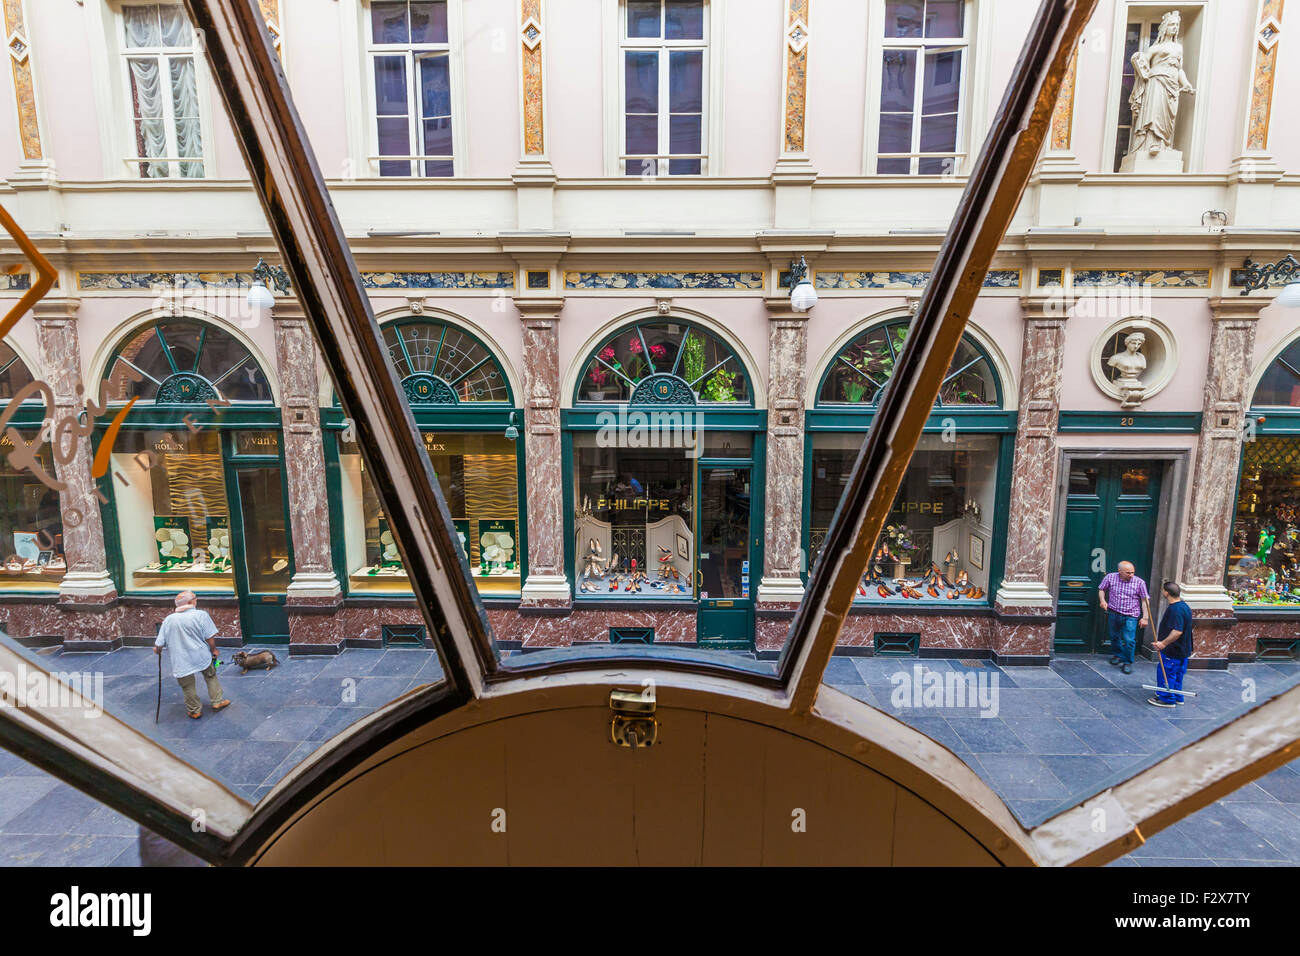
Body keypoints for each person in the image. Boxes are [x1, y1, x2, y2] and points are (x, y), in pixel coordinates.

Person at [154, 590, 230, 719]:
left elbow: (159, 643)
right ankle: (217, 701)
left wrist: (157, 649)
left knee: (187, 685)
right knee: (210, 676)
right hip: (200, 655)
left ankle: (195, 710)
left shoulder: (169, 619)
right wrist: (214, 650)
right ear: (190, 602)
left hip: (180, 659)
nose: (196, 600)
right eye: (195, 598)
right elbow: (209, 637)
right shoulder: (200, 615)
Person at [1098, 560, 1151, 674]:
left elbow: (1144, 600)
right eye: (1128, 573)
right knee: (1114, 636)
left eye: (1132, 572)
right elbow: (1102, 589)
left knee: (1129, 640)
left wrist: (1145, 617)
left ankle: (1127, 662)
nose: (1131, 575)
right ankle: (1118, 655)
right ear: (1119, 571)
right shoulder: (1110, 577)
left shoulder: (1139, 582)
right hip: (1114, 612)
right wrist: (1102, 601)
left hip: (1131, 615)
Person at [1149, 581, 1193, 707]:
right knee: (1178, 675)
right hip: (1183, 650)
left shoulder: (1175, 610)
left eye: (1163, 591)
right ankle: (1178, 696)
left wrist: (1163, 643)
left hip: (1173, 651)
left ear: (1166, 592)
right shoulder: (1185, 606)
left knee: (1166, 674)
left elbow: (1177, 631)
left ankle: (1167, 698)